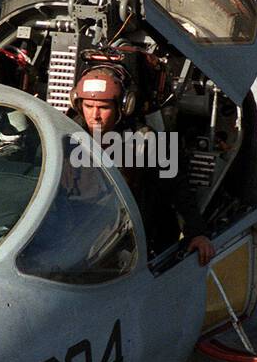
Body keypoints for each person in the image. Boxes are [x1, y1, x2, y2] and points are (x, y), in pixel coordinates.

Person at [72, 66, 215, 265]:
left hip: (126, 239)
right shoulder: (66, 136)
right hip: (77, 233)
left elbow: (178, 189)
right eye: (88, 106)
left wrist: (198, 233)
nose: (94, 115)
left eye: (104, 108)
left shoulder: (147, 140)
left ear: (122, 107)